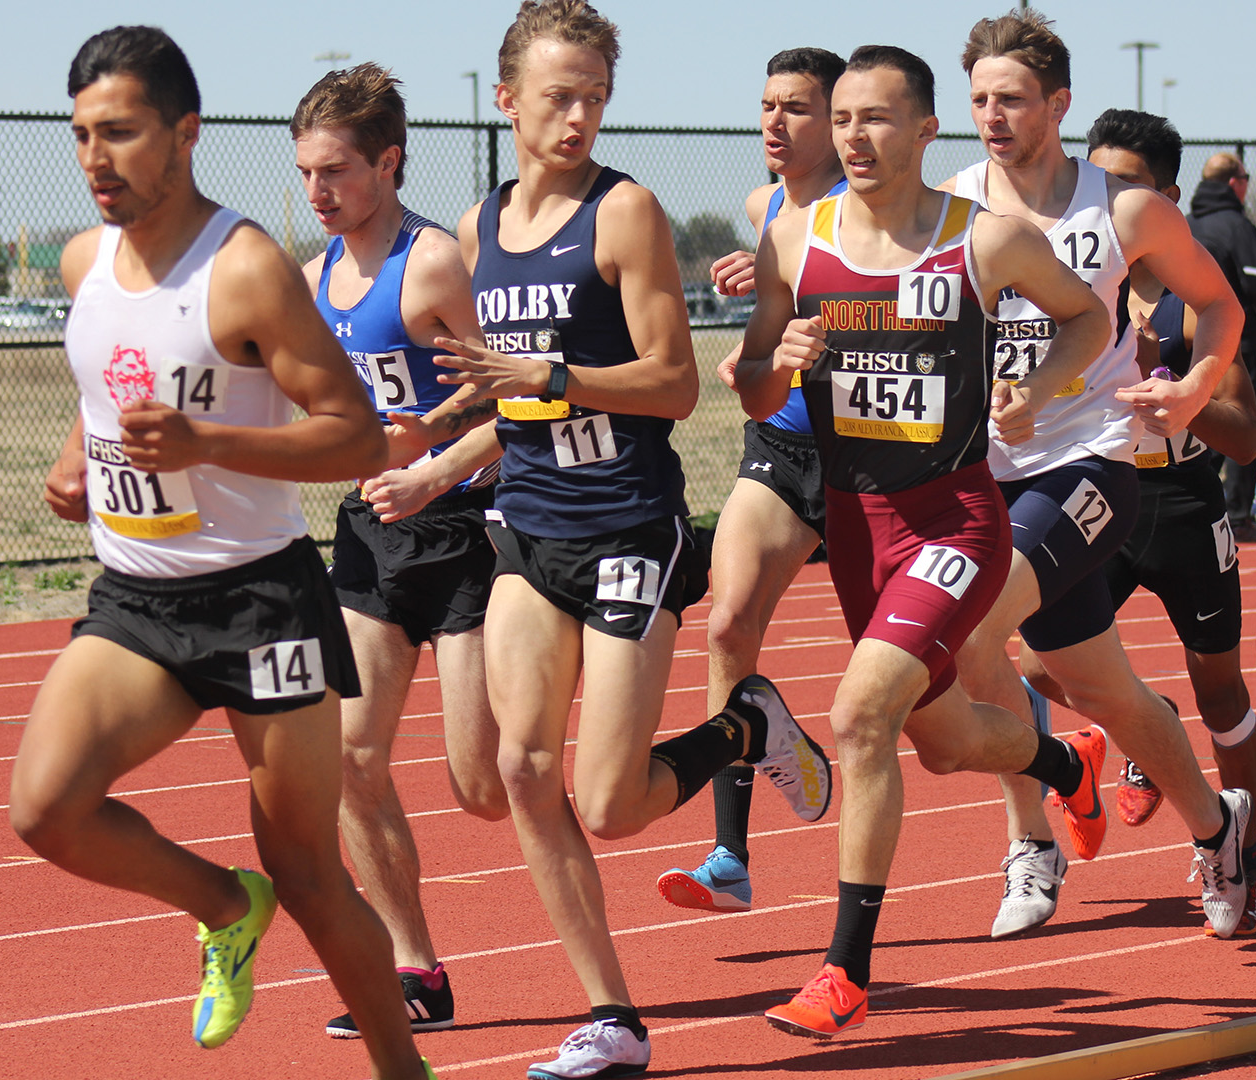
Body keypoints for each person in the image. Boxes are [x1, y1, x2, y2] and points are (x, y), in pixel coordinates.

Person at [9, 27, 437, 1080]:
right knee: (46, 809)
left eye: (121, 132)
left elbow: (354, 434)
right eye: (80, 136)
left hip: (261, 607)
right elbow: (106, 385)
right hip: (140, 600)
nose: (97, 158)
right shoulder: (83, 262)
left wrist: (208, 444)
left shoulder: (244, 270)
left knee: (306, 867)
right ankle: (219, 905)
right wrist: (78, 460)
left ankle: (402, 1067)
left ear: (184, 133)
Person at [432, 2, 831, 1074]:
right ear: (506, 98)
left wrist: (553, 377)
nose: (578, 117)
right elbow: (498, 400)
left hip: (626, 528)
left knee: (608, 803)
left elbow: (673, 383)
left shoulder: (625, 214)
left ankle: (744, 728)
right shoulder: (476, 232)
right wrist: (437, 456)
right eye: (558, 96)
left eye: (596, 98)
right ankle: (612, 1015)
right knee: (521, 770)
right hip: (528, 526)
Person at [734, 43, 1117, 1039]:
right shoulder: (794, 241)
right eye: (844, 118)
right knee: (940, 744)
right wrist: (777, 359)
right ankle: (1064, 762)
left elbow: (1089, 317)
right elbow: (753, 390)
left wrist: (1036, 390)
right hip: (858, 529)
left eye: (876, 118)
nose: (855, 137)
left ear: (923, 130)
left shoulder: (984, 241)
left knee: (860, 716)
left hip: (955, 519)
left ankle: (845, 972)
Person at [945, 9, 1253, 942]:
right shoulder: (953, 204)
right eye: (978, 101)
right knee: (1110, 695)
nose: (992, 117)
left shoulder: (1122, 208)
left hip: (1089, 466)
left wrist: (1195, 390)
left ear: (1059, 104)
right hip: (979, 472)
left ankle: (1030, 837)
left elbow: (1220, 305)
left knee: (971, 629)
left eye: (1012, 99)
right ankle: (1217, 823)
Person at [291, 62, 510, 1039]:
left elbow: (517, 400)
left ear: (386, 163)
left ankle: (701, 745)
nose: (317, 192)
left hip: (466, 533)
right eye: (304, 173)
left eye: (335, 171)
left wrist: (431, 455)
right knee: (350, 757)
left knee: (488, 789)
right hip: (373, 536)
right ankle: (414, 968)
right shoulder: (310, 278)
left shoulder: (431, 266)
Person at [1018, 108, 1256, 938]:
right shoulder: (1059, 287)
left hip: (1184, 506)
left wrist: (1179, 390)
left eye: (1119, 182)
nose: (1097, 196)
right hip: (1094, 496)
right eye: (1092, 175)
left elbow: (1248, 434)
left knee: (1221, 696)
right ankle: (1127, 721)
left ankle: (1237, 851)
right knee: (1032, 660)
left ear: (1160, 199)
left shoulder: (1190, 300)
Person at [656, 45, 848, 915]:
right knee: (727, 624)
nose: (775, 122)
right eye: (768, 105)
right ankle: (729, 857)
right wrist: (753, 275)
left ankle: (1048, 777)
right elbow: (780, 295)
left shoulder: (870, 211)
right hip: (782, 445)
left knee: (944, 691)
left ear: (838, 121)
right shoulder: (764, 204)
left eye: (796, 108)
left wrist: (785, 318)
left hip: (873, 455)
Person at [1190, 152, 1256, 543]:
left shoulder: (1185, 224)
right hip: (1236, 345)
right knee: (1247, 428)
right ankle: (1240, 515)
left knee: (1205, 429)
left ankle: (1200, 512)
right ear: (1235, 183)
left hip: (1190, 339)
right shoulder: (1238, 225)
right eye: (1246, 177)